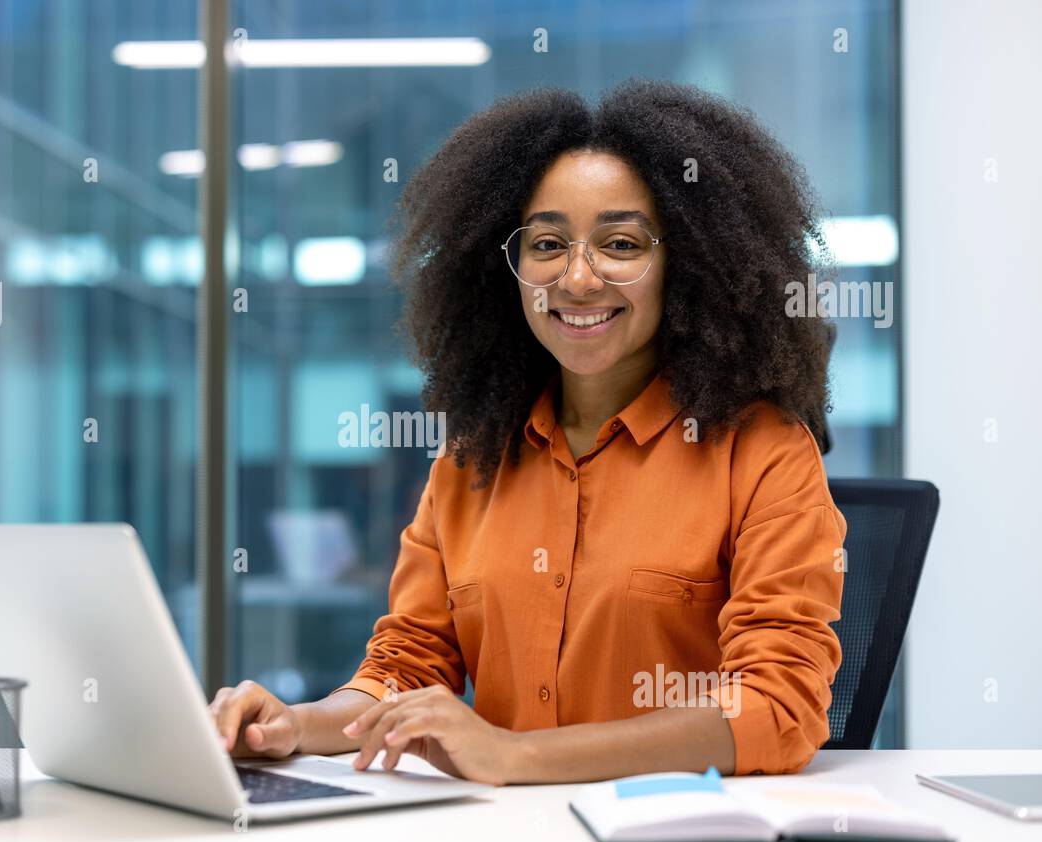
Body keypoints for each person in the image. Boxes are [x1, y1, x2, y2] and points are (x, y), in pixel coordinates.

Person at [210, 80, 845, 785]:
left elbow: (777, 707)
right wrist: (297, 725)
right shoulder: (472, 457)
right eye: (547, 243)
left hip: (674, 840)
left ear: (687, 262)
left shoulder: (760, 451)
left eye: (621, 243)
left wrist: (517, 756)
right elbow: (408, 664)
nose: (577, 277)